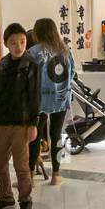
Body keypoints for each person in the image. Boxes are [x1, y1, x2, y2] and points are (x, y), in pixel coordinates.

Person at [0, 22, 39, 209]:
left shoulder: (31, 64)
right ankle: (5, 198)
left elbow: (34, 97)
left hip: (22, 122)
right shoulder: (1, 64)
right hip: (2, 123)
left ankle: (25, 200)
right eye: (14, 42)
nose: (19, 46)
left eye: (22, 42)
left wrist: (33, 124)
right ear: (6, 43)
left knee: (21, 165)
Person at [25, 17, 76, 186]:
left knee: (35, 136)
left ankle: (30, 176)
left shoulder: (33, 52)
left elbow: (27, 76)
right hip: (61, 98)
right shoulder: (65, 51)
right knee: (56, 135)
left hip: (38, 100)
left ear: (37, 32)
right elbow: (72, 72)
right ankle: (56, 174)